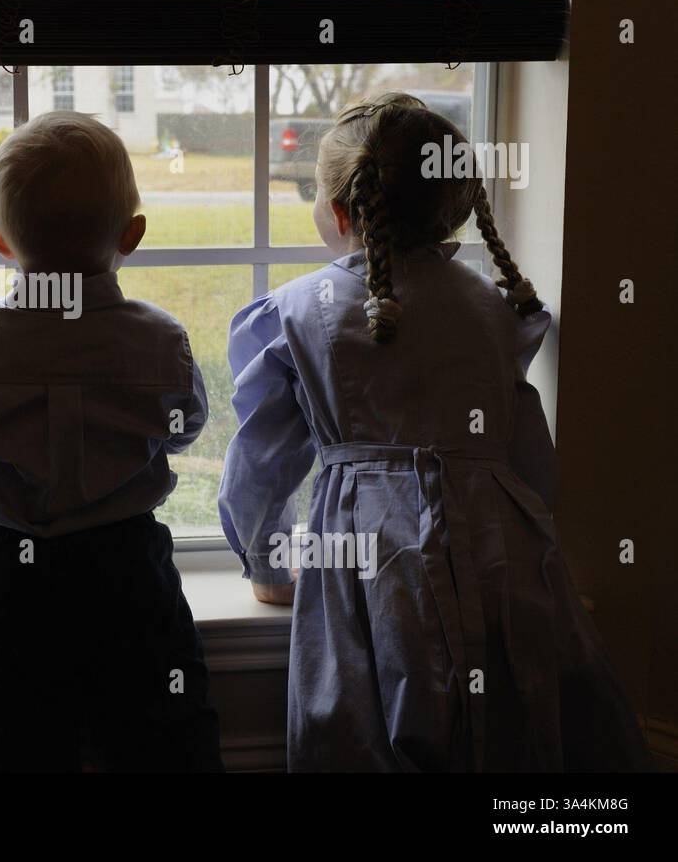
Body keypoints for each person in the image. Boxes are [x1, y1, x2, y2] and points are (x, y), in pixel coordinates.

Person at [218, 92, 652, 772]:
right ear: (456, 205)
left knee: (368, 722)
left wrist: (267, 563)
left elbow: (261, 461)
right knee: (513, 726)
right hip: (500, 552)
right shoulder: (491, 305)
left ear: (339, 212)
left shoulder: (299, 310)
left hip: (371, 558)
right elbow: (531, 462)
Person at [0, 111, 222, 772]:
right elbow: (183, 429)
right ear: (131, 234)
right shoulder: (160, 340)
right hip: (128, 569)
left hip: (10, 578)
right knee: (164, 742)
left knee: (15, 744)